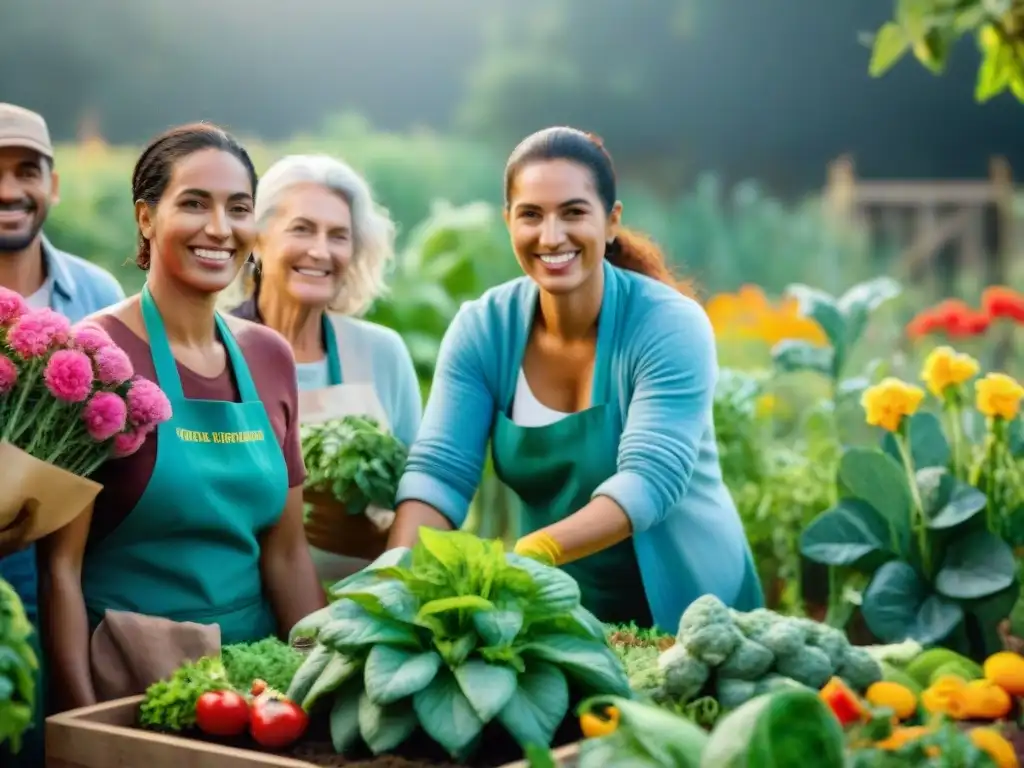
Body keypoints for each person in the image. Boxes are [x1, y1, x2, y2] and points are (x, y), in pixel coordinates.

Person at [387, 127, 763, 632]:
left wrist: (532, 552)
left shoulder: (668, 324)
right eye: (531, 215)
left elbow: (650, 481)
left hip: (694, 606)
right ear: (508, 222)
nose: (551, 236)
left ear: (611, 222)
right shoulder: (484, 329)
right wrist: (392, 580)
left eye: (573, 212)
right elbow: (439, 474)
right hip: (561, 613)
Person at [41, 123, 325, 712]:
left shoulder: (269, 356)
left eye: (238, 208)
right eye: (194, 203)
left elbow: (288, 554)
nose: (220, 228)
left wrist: (321, 683)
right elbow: (60, 569)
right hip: (129, 680)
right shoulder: (96, 355)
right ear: (146, 218)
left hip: (256, 687)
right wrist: (81, 725)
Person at [225, 154, 420, 579]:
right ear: (258, 238)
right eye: (302, 229)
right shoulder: (214, 349)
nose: (320, 251)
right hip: (245, 600)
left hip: (368, 600)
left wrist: (376, 540)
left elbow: (421, 493)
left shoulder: (382, 353)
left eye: (338, 236)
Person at [0, 102, 124, 764]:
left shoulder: (97, 295)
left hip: (73, 589)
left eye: (27, 171)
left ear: (53, 183)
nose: (9, 191)